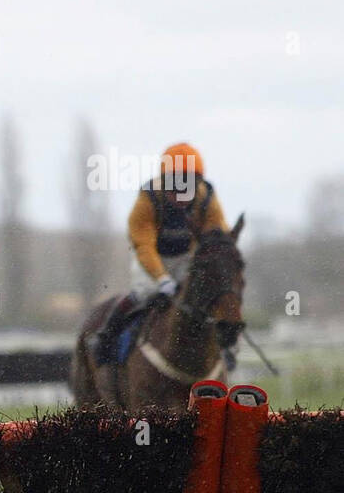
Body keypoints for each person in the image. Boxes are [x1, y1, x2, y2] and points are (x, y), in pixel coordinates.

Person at [90, 142, 236, 368]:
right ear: (165, 182)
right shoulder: (149, 199)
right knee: (144, 292)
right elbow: (143, 244)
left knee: (207, 295)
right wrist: (161, 277)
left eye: (186, 187)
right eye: (174, 187)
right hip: (152, 257)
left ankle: (223, 347)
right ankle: (106, 337)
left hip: (188, 256)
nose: (179, 196)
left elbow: (216, 236)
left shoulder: (207, 198)